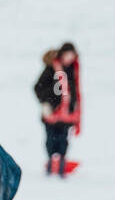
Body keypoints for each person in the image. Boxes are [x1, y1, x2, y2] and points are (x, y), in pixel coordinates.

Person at [33, 42, 81, 176]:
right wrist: (47, 102)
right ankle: (50, 162)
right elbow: (38, 87)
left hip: (66, 115)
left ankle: (61, 164)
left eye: (72, 55)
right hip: (52, 113)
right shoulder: (51, 68)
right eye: (67, 55)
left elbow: (75, 91)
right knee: (51, 139)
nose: (70, 58)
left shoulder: (73, 69)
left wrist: (75, 109)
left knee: (63, 140)